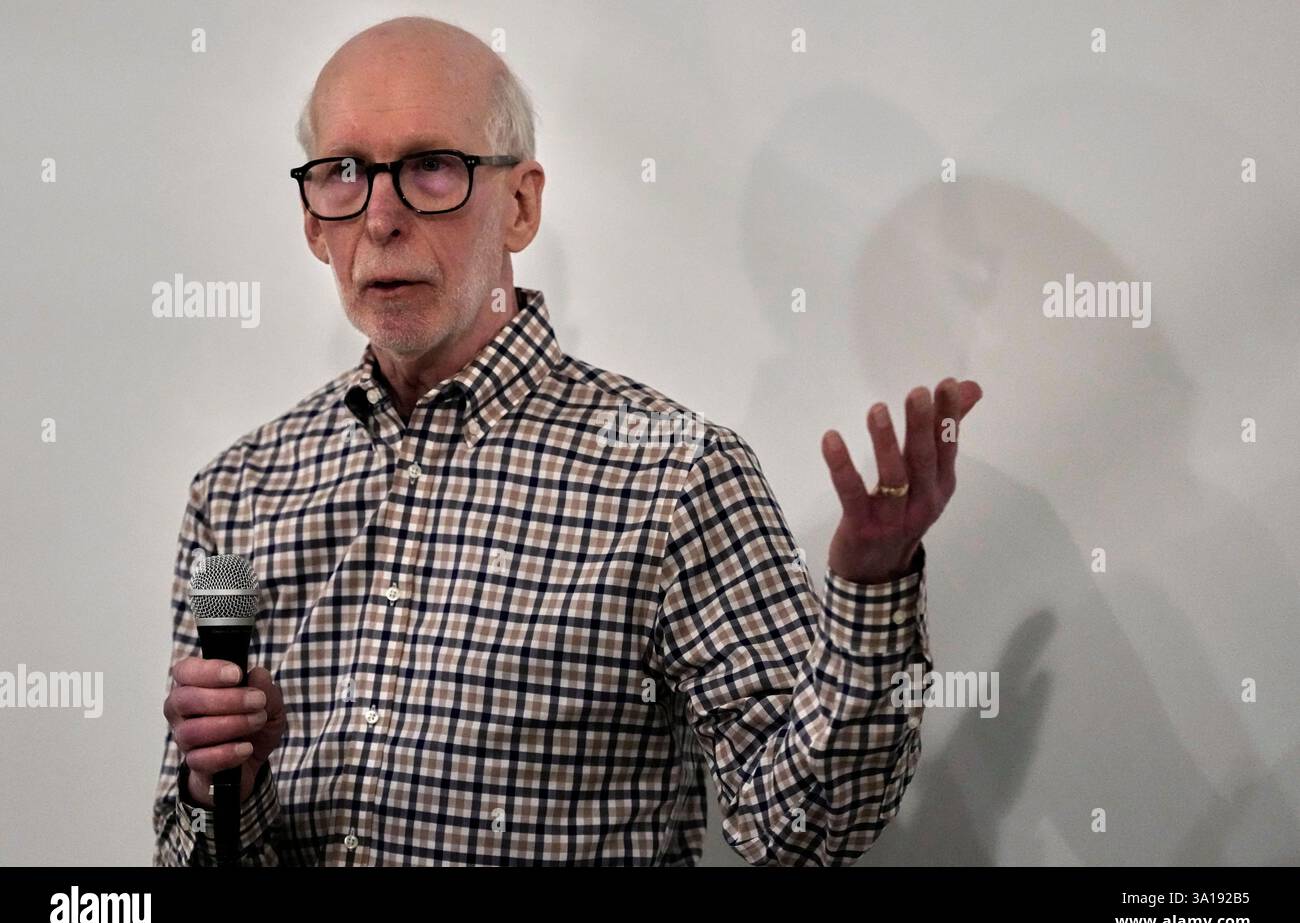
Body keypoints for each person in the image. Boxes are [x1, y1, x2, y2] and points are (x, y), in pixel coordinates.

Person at [153, 15, 982, 866]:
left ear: (520, 205)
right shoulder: (239, 491)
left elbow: (806, 832)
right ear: (310, 221)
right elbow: (181, 859)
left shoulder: (675, 475)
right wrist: (227, 789)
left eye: (431, 167)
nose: (381, 217)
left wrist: (869, 595)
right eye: (343, 174)